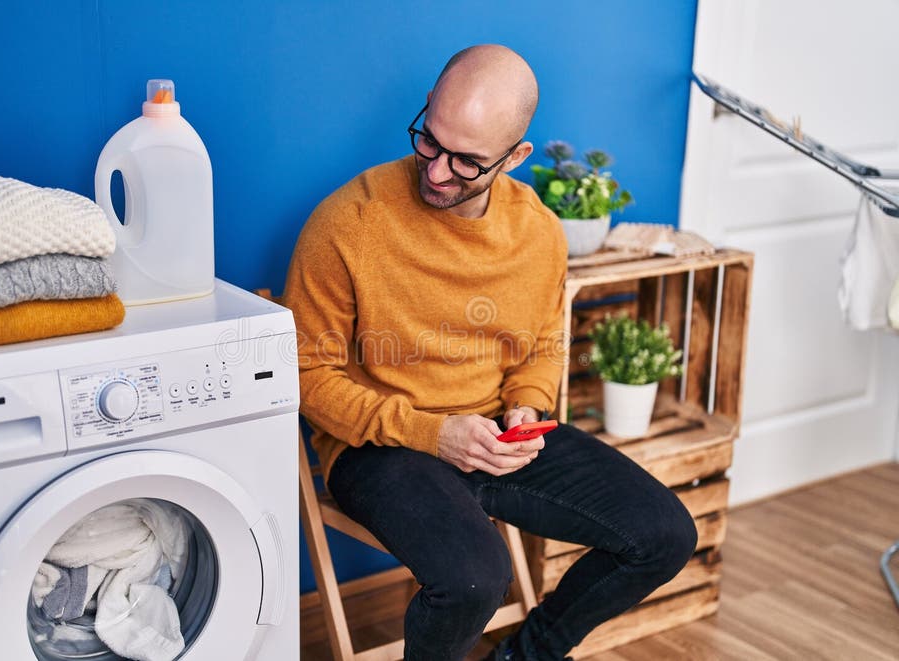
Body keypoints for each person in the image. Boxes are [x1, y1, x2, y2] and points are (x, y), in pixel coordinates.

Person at [283, 44, 697, 661]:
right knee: (475, 578)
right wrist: (432, 433)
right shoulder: (348, 224)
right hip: (379, 445)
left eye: (468, 162)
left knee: (665, 534)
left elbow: (540, 346)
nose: (439, 172)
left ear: (516, 156)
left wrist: (527, 407)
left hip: (496, 434)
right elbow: (306, 376)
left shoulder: (538, 231)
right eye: (430, 140)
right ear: (426, 109)